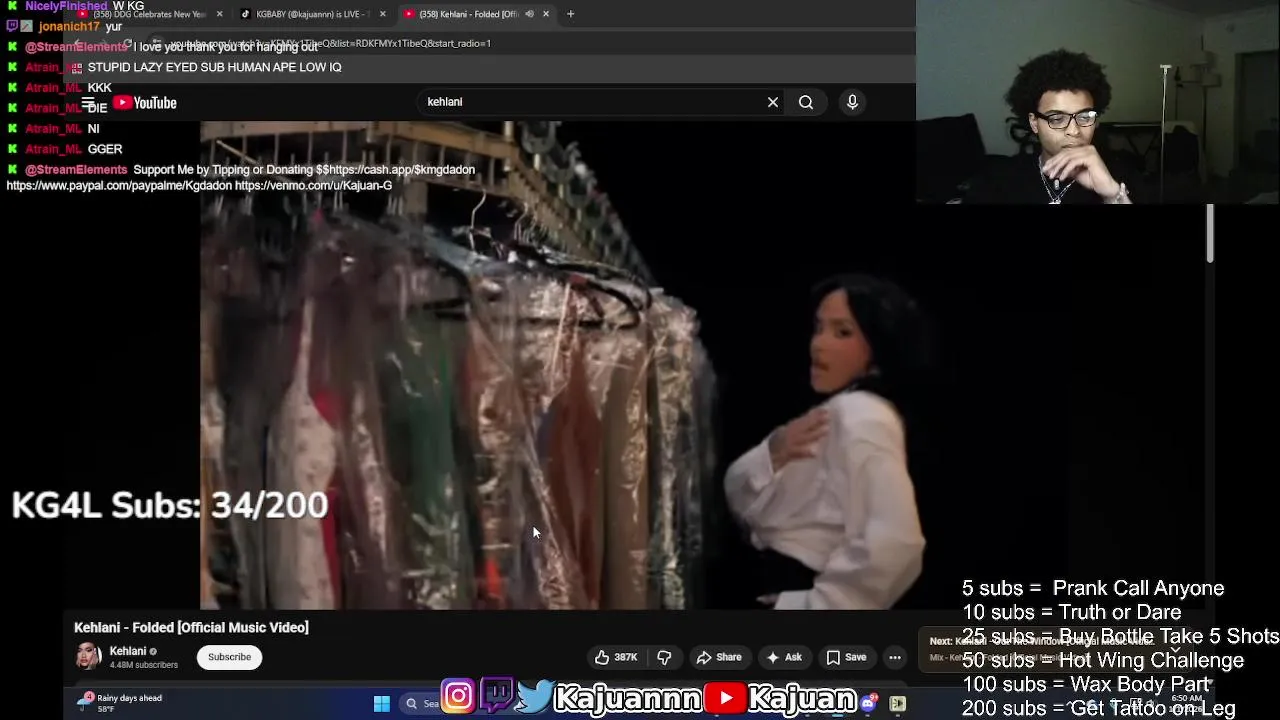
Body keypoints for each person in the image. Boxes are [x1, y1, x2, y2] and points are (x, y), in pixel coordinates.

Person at [724, 274, 929, 610]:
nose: (818, 344)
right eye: (819, 328)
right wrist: (773, 452)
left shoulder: (863, 416)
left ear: (879, 344)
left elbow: (895, 540)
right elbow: (741, 500)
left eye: (842, 332)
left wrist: (817, 604)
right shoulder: (840, 412)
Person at [966, 49, 1135, 204]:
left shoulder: (1121, 175)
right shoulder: (997, 180)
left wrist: (1112, 194)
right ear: (1034, 122)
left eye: (1084, 117)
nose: (1074, 131)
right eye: (1057, 118)